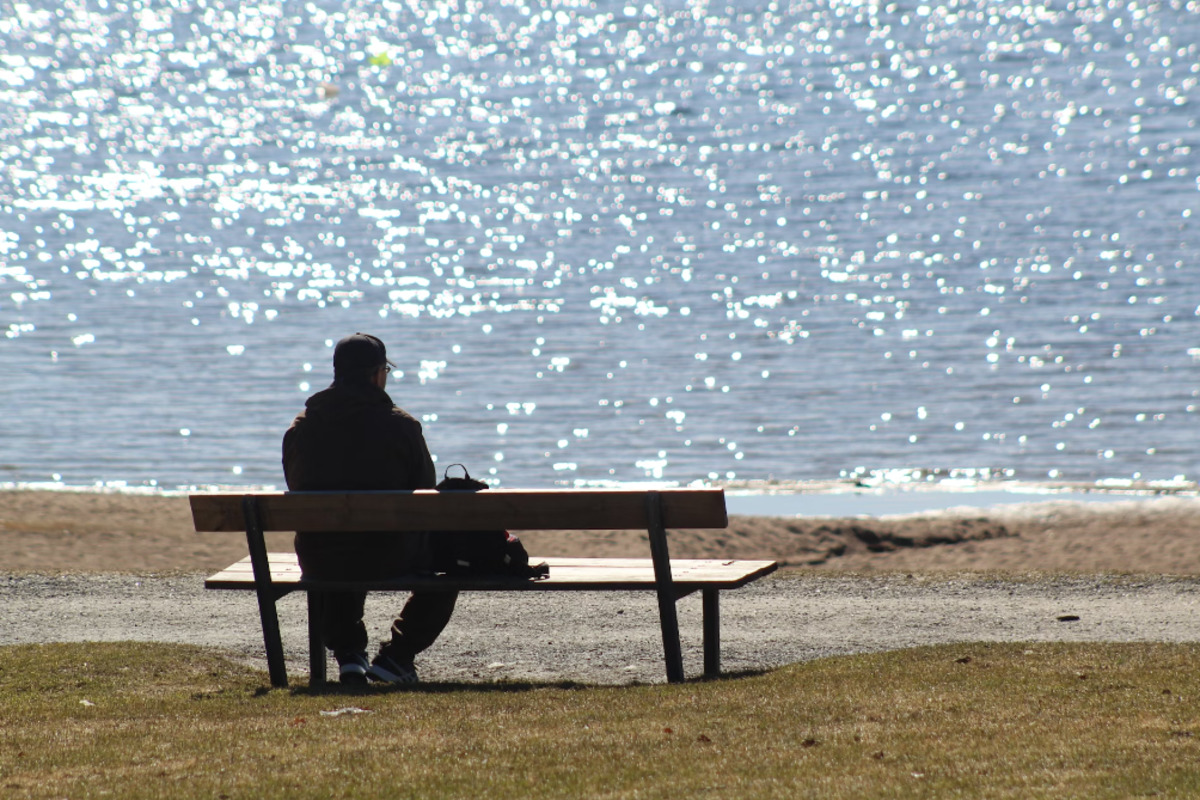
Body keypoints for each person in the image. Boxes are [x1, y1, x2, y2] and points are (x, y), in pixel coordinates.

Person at [282, 332, 457, 685]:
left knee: (334, 548)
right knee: (451, 567)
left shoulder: (303, 427)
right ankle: (397, 657)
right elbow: (426, 495)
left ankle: (349, 655)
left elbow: (296, 486)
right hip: (392, 554)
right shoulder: (402, 426)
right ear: (378, 373)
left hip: (322, 557)